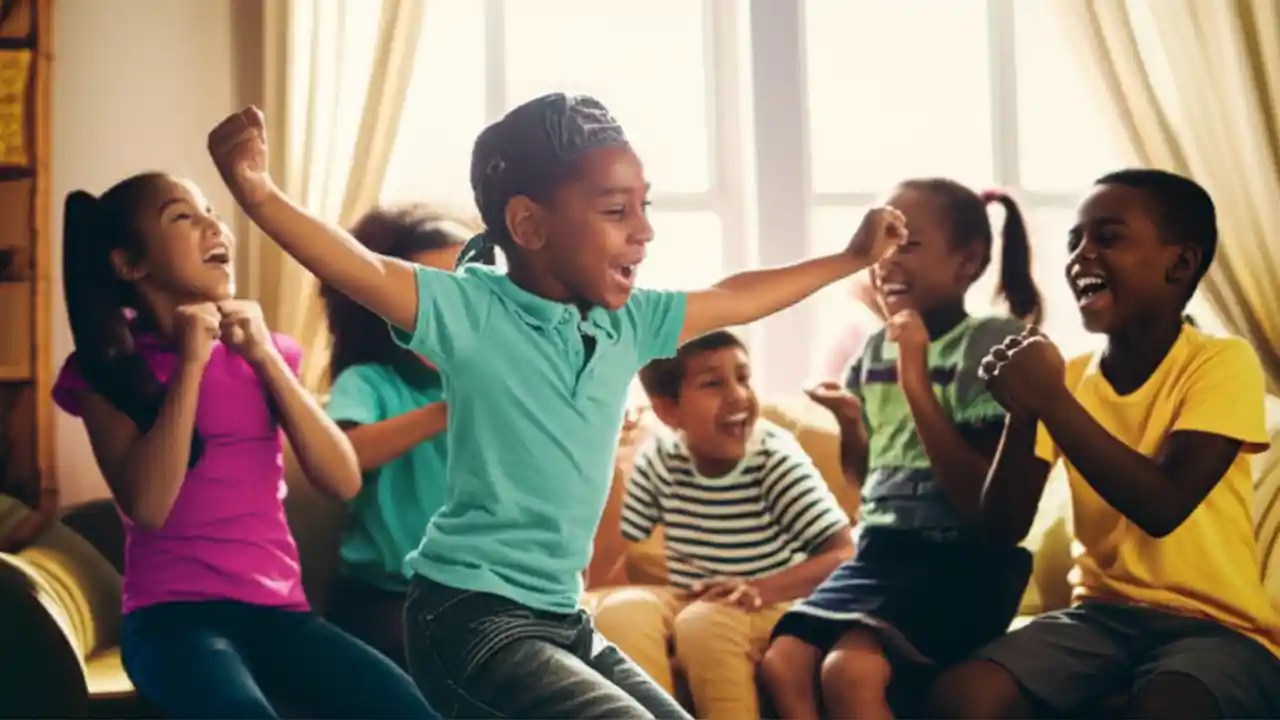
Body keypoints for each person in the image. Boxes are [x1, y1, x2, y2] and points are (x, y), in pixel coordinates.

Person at [206, 93, 904, 718]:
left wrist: (847, 259)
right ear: (529, 226)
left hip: (562, 617)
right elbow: (361, 268)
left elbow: (738, 294)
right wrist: (258, 193)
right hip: (468, 616)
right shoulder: (471, 311)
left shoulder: (629, 321)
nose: (643, 230)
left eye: (644, 206)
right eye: (615, 210)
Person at [50, 173, 437, 719]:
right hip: (171, 623)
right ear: (129, 264)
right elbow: (149, 506)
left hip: (282, 615)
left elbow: (342, 478)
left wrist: (266, 358)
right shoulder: (105, 372)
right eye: (182, 216)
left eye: (211, 209)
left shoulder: (269, 352)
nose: (214, 224)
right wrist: (189, 363)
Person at [932, 169, 1280, 719]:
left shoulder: (1221, 361)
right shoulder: (1065, 378)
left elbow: (1162, 505)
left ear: (1181, 263)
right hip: (1099, 619)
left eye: (1108, 238)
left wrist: (1050, 400)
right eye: (1075, 241)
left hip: (1218, 629)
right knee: (962, 696)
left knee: (1169, 708)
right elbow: (1001, 528)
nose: (1081, 256)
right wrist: (1022, 413)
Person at [760, 178, 1041, 720]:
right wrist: (850, 423)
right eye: (882, 244)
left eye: (908, 245)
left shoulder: (992, 347)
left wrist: (916, 375)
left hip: (961, 565)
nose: (886, 261)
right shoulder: (872, 351)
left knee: (850, 670)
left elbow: (980, 502)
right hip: (881, 555)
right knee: (784, 660)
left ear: (968, 261)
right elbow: (866, 481)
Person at [594, 330, 853, 719]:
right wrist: (602, 444)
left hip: (774, 597)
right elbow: (618, 560)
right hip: (694, 594)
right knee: (621, 612)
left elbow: (843, 553)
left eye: (743, 378)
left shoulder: (772, 457)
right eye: (714, 384)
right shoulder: (659, 459)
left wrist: (755, 589)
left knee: (704, 624)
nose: (738, 396)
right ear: (668, 411)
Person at [322, 205, 468, 669]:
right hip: (381, 598)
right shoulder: (369, 383)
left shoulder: (498, 379)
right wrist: (449, 410)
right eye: (429, 295)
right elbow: (347, 455)